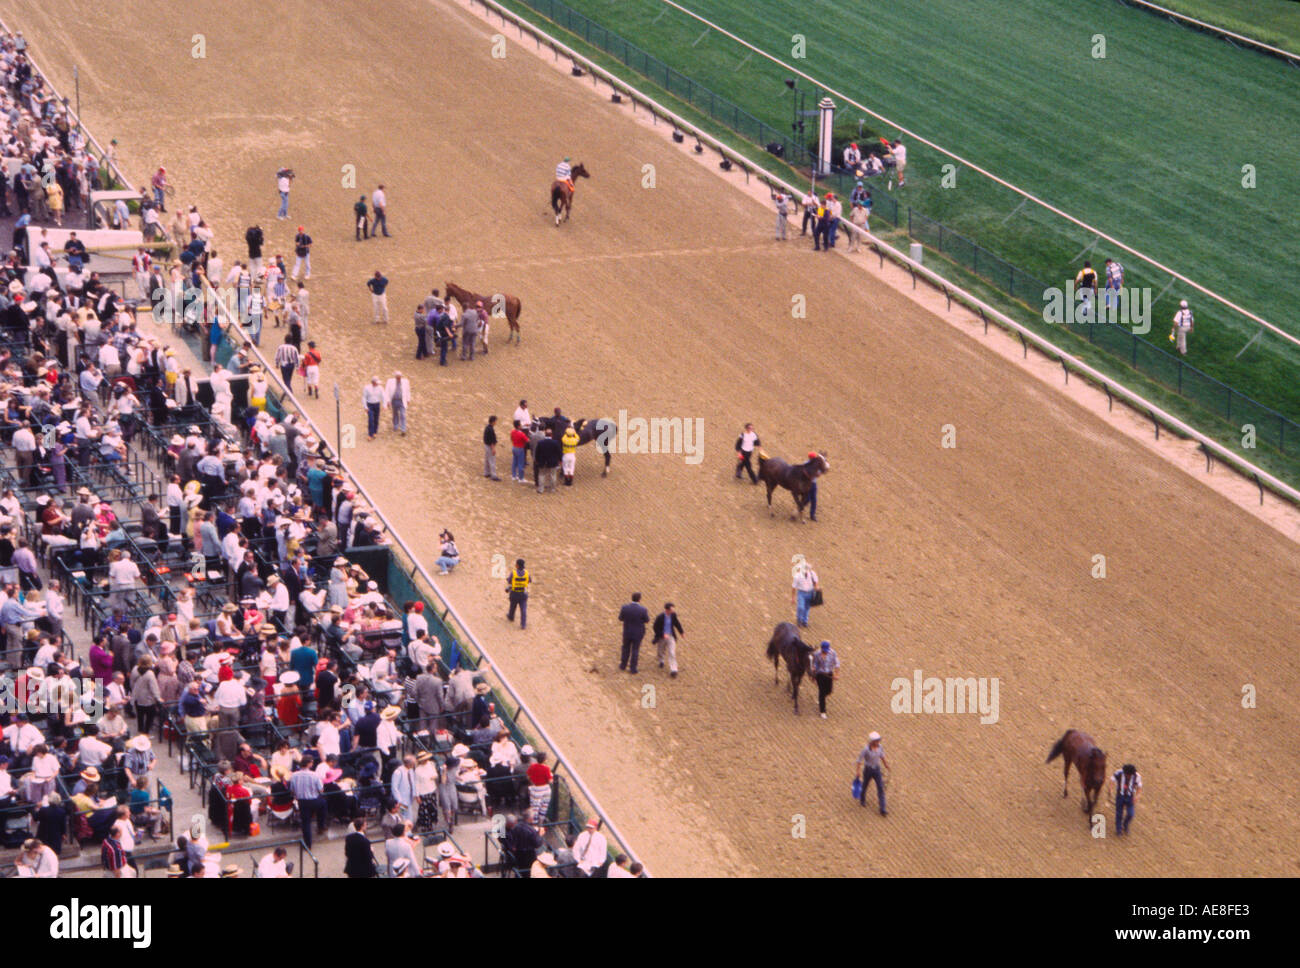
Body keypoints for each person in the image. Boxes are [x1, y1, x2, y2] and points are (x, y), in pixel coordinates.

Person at [855, 731, 889, 816]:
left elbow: (882, 756)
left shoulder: (880, 747)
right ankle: (862, 799)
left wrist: (885, 764)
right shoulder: (865, 749)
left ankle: (882, 808)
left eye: (878, 740)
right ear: (872, 741)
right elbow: (859, 760)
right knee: (865, 785)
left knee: (880, 788)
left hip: (877, 770)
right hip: (868, 770)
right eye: (876, 740)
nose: (878, 742)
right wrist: (858, 771)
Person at [618, 592, 650, 673]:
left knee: (625, 648)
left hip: (627, 631)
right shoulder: (643, 610)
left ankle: (623, 665)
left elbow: (620, 618)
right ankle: (633, 669)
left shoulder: (625, 608)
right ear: (639, 599)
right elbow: (647, 620)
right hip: (638, 633)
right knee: (635, 650)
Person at [652, 603, 684, 678]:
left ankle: (674, 669)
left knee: (672, 652)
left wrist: (681, 632)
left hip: (671, 636)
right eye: (671, 609)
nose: (673, 611)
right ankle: (661, 660)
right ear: (667, 610)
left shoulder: (673, 615)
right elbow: (655, 628)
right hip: (662, 637)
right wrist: (662, 634)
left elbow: (677, 623)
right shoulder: (660, 617)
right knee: (661, 650)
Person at [811, 641, 840, 719]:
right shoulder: (817, 654)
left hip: (829, 674)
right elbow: (815, 663)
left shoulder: (833, 653)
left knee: (829, 691)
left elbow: (837, 664)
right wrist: (814, 669)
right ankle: (822, 711)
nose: (825, 652)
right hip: (820, 675)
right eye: (824, 651)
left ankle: (822, 699)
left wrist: (836, 674)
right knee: (821, 692)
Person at [1111, 763, 1142, 836]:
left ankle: (1125, 824)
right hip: (1120, 796)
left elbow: (1139, 787)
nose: (1128, 776)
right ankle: (1118, 830)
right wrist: (1111, 789)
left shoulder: (1137, 776)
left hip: (1130, 797)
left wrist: (1137, 796)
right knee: (1119, 814)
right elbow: (1112, 779)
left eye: (1129, 775)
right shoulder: (1119, 773)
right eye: (1126, 774)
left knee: (1131, 814)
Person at [792, 557, 820, 628]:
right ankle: (799, 620)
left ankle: (804, 621)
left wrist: (816, 587)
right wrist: (793, 597)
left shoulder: (812, 574)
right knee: (801, 607)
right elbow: (794, 587)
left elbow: (816, 581)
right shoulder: (797, 576)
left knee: (807, 608)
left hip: (810, 592)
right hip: (801, 593)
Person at [384, 370, 410, 436]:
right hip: (394, 400)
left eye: (400, 377)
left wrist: (408, 399)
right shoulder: (390, 381)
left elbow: (408, 391)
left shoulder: (405, 382)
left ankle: (403, 429)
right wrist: (388, 401)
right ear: (395, 377)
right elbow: (387, 391)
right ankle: (395, 425)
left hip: (402, 400)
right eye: (397, 377)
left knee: (403, 414)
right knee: (395, 413)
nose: (399, 378)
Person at [506, 559, 529, 630]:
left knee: (513, 606)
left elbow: (509, 580)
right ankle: (523, 624)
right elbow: (529, 580)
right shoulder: (527, 573)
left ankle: (511, 617)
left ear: (517, 565)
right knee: (523, 609)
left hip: (514, 594)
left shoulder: (513, 573)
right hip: (523, 594)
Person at [509, 419, 530, 484]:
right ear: (518, 426)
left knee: (514, 462)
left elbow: (511, 439)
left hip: (514, 447)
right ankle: (521, 478)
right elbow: (528, 441)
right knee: (521, 464)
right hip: (520, 449)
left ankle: (514, 475)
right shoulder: (521, 434)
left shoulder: (512, 432)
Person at [483, 415, 501, 480]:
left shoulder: (487, 427)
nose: (496, 422)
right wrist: (493, 449)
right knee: (492, 461)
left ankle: (486, 472)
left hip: (486, 445)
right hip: (490, 446)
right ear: (493, 421)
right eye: (495, 421)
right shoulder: (491, 429)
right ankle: (493, 475)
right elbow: (491, 441)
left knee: (487, 460)